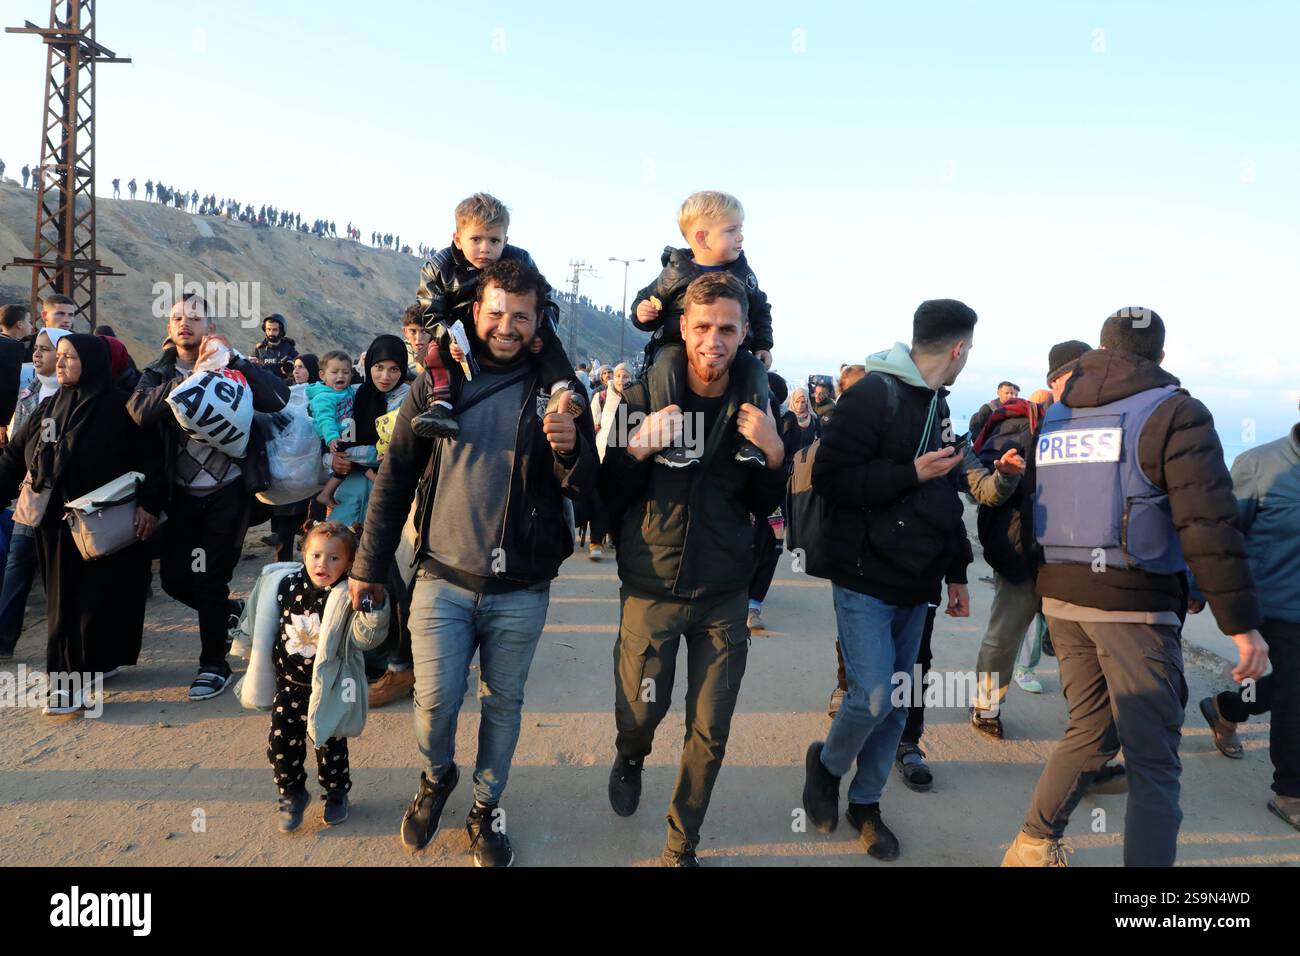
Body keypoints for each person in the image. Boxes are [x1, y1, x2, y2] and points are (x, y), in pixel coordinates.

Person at [349, 259, 598, 867]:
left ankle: (487, 810)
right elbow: (395, 475)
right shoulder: (437, 381)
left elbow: (591, 494)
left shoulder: (558, 393)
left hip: (521, 587)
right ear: (475, 312)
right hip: (441, 578)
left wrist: (571, 451)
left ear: (539, 322)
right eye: (495, 313)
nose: (506, 326)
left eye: (520, 316)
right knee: (433, 706)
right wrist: (368, 565)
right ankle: (437, 779)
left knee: (503, 705)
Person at [1002, 308, 1268, 867]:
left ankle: (1030, 844)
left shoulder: (1057, 413)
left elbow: (1032, 505)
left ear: (1100, 349)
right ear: (1162, 357)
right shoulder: (1176, 411)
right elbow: (1208, 523)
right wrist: (1240, 625)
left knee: (1091, 731)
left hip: (1062, 598)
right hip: (1133, 609)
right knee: (1154, 764)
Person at [603, 273, 788, 867]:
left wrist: (776, 455)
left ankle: (682, 841)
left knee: (710, 731)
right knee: (641, 709)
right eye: (703, 327)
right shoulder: (641, 398)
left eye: (728, 328)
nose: (714, 340)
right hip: (652, 587)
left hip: (724, 593)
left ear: (743, 334)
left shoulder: (757, 405)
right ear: (682, 327)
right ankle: (630, 755)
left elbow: (763, 506)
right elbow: (604, 496)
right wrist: (637, 448)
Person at [801, 299, 979, 860]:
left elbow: (946, 497)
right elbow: (829, 478)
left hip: (920, 578)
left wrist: (958, 572)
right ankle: (826, 767)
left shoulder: (940, 405)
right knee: (872, 695)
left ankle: (867, 803)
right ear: (958, 349)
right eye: (968, 351)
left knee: (898, 703)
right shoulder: (872, 394)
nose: (966, 360)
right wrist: (909, 473)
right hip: (863, 573)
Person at [127, 294, 290, 702]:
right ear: (169, 328)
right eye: (177, 318)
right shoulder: (157, 371)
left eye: (194, 318)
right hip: (180, 494)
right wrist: (187, 381)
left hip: (228, 491)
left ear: (209, 328)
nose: (185, 323)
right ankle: (229, 614)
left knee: (212, 577)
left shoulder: (230, 363)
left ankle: (213, 664)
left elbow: (277, 397)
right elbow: (138, 412)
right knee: (176, 579)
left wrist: (234, 361)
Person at [0, 335, 165, 714]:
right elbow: (13, 458)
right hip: (57, 526)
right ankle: (65, 684)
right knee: (65, 604)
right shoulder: (47, 408)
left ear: (90, 362)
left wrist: (151, 505)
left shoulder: (122, 407)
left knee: (104, 599)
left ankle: (98, 661)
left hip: (109, 523)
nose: (59, 364)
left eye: (69, 357)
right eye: (57, 357)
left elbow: (153, 460)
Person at [968, 344, 1090, 738]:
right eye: (1076, 374)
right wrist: (1006, 472)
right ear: (1054, 380)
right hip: (1022, 552)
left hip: (1074, 561)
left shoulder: (1098, 425)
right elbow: (983, 490)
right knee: (1004, 636)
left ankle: (1086, 725)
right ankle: (986, 706)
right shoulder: (1020, 424)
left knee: (1077, 648)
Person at [1196, 404, 1300, 831]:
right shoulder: (1259, 464)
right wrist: (1201, 588)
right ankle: (1291, 791)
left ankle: (1228, 707)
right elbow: (1223, 534)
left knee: (1289, 684)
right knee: (1296, 692)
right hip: (1273, 601)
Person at [409, 193, 583, 439]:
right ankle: (440, 407)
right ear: (458, 239)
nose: (485, 248)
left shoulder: (520, 259)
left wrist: (541, 332)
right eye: (476, 239)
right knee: (436, 353)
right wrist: (451, 340)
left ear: (505, 240)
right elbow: (430, 312)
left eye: (493, 240)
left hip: (511, 332)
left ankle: (560, 389)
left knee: (547, 342)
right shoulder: (438, 267)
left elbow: (546, 302)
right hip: (458, 333)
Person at [631, 190, 774, 469]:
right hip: (673, 346)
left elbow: (761, 309)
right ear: (702, 238)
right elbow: (646, 299)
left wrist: (763, 345)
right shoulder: (674, 272)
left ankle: (751, 443)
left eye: (740, 229)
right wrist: (643, 313)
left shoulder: (744, 274)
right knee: (667, 365)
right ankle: (672, 442)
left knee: (755, 370)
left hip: (738, 357)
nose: (741, 237)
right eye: (732, 230)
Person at [262, 521, 390, 832]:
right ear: (304, 553)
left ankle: (336, 793)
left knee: (330, 743)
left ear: (349, 563)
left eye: (334, 558)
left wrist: (375, 609)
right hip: (289, 684)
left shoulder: (348, 594)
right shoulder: (285, 584)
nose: (323, 564)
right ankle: (292, 792)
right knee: (281, 743)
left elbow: (364, 638)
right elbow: (262, 619)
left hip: (329, 684)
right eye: (316, 555)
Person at [0, 328, 70, 661]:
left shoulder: (78, 396)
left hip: (67, 501)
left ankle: (68, 648)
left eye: (46, 349)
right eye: (36, 348)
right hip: (31, 494)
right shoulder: (28, 391)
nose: (37, 354)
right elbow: (16, 444)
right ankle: (4, 639)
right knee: (18, 563)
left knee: (62, 575)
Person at [746, 372, 802, 632]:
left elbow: (791, 458)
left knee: (772, 548)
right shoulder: (738, 415)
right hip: (742, 498)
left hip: (776, 498)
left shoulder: (788, 420)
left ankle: (754, 605)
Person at [307, 351, 358, 511]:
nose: (340, 376)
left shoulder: (347, 390)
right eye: (334, 372)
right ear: (322, 375)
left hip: (346, 436)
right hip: (332, 439)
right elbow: (325, 419)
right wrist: (332, 438)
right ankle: (326, 494)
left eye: (345, 372)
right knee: (343, 464)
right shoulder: (323, 397)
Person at [0, 305, 34, 449]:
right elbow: (8, 387)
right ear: (19, 324)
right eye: (29, 321)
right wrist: (3, 422)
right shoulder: (13, 348)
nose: (32, 326)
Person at [401, 303, 431, 377]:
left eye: (424, 332)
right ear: (405, 331)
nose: (418, 339)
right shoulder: (398, 350)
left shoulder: (439, 351)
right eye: (413, 331)